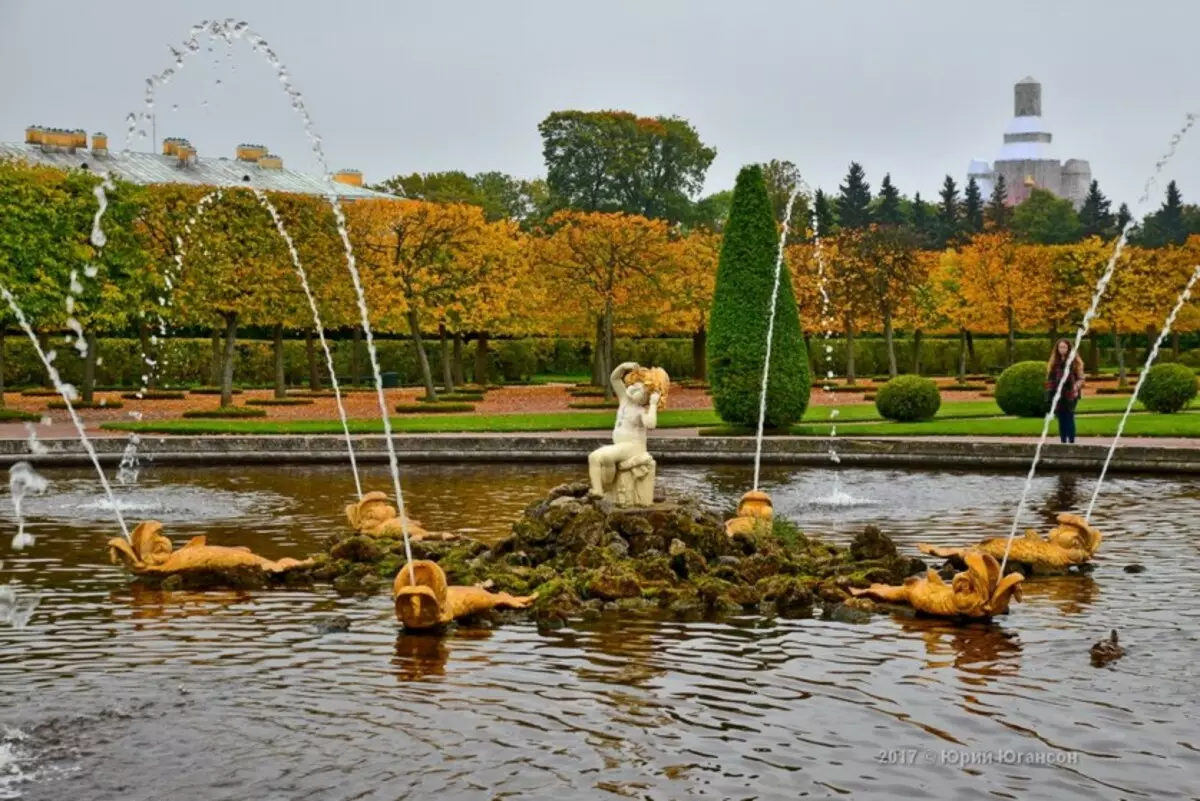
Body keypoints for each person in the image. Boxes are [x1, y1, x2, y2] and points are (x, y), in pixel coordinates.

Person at [587, 362, 662, 498]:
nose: (633, 389)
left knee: (603, 457)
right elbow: (614, 379)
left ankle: (606, 488)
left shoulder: (641, 411)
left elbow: (651, 424)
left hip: (634, 447)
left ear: (646, 397)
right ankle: (601, 489)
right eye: (633, 385)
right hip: (621, 446)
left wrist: (653, 405)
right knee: (595, 457)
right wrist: (623, 367)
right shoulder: (624, 399)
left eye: (640, 390)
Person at [1046, 339, 1085, 444]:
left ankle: (1071, 441)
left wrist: (1075, 387)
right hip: (1058, 394)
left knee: (1069, 417)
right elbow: (1051, 379)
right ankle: (1063, 441)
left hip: (1071, 394)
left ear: (1069, 349)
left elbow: (1081, 379)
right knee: (1061, 418)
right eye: (1060, 347)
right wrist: (1051, 393)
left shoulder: (1075, 362)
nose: (1062, 350)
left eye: (1064, 347)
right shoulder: (1054, 363)